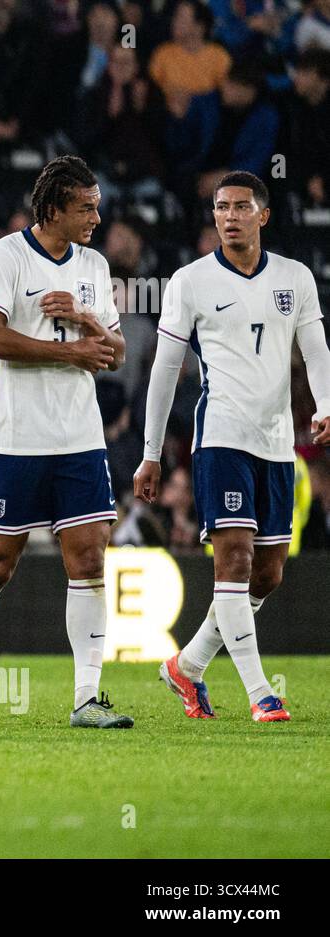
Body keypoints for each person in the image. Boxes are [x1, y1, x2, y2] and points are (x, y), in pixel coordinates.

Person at [0, 155, 131, 729]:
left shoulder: (93, 265)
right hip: (15, 432)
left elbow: (116, 354)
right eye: (86, 208)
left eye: (97, 206)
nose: (96, 217)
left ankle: (87, 699)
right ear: (54, 208)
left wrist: (86, 319)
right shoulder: (5, 255)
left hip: (79, 434)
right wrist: (71, 351)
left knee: (90, 556)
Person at [134, 171, 330, 724]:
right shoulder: (190, 281)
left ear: (263, 215)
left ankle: (187, 666)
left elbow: (316, 349)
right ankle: (260, 692)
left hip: (278, 443)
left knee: (267, 574)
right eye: (221, 208)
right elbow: (164, 370)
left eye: (242, 207)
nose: (230, 216)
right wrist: (151, 452)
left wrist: (325, 405)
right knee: (235, 561)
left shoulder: (294, 277)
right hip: (221, 437)